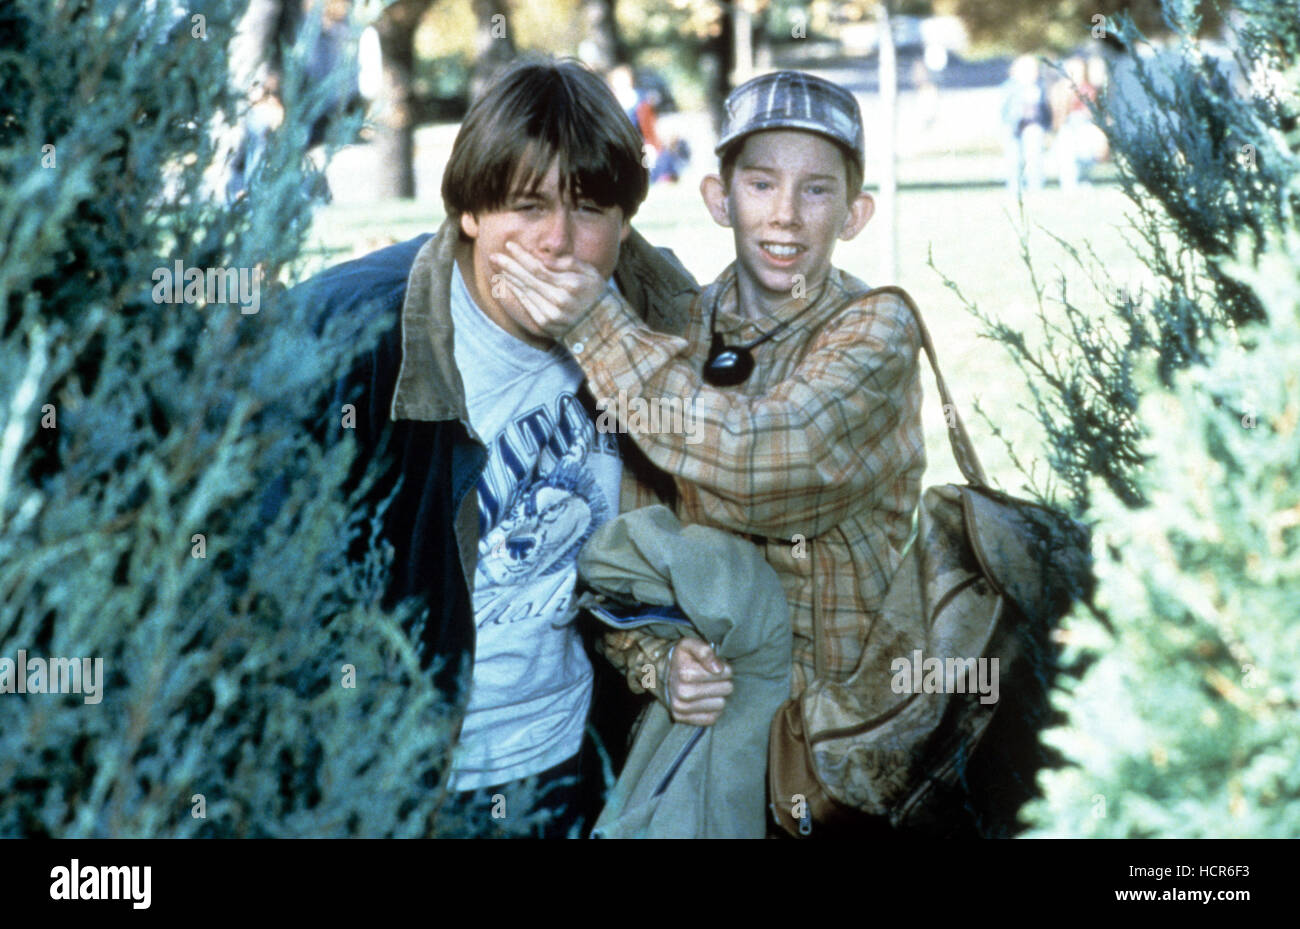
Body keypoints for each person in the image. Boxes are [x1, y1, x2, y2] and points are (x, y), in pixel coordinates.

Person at [295, 58, 698, 837]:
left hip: (579, 761)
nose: (557, 242)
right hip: (412, 782)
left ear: (624, 220)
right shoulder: (350, 338)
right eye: (526, 205)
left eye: (588, 208)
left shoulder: (659, 310)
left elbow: (755, 476)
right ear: (472, 211)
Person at [491, 71, 926, 732]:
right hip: (716, 724)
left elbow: (772, 466)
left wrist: (596, 327)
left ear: (855, 213)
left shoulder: (877, 330)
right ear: (719, 199)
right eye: (760, 184)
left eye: (816, 189)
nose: (784, 214)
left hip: (846, 730)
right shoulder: (674, 332)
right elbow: (623, 546)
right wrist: (659, 659)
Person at [1000, 55, 1051, 195]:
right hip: (1013, 126)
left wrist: (1047, 126)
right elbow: (1003, 109)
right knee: (1013, 158)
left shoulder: (1040, 86)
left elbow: (1046, 108)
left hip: (1033, 125)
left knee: (1034, 155)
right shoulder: (1010, 87)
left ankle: (1035, 185)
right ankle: (1014, 186)